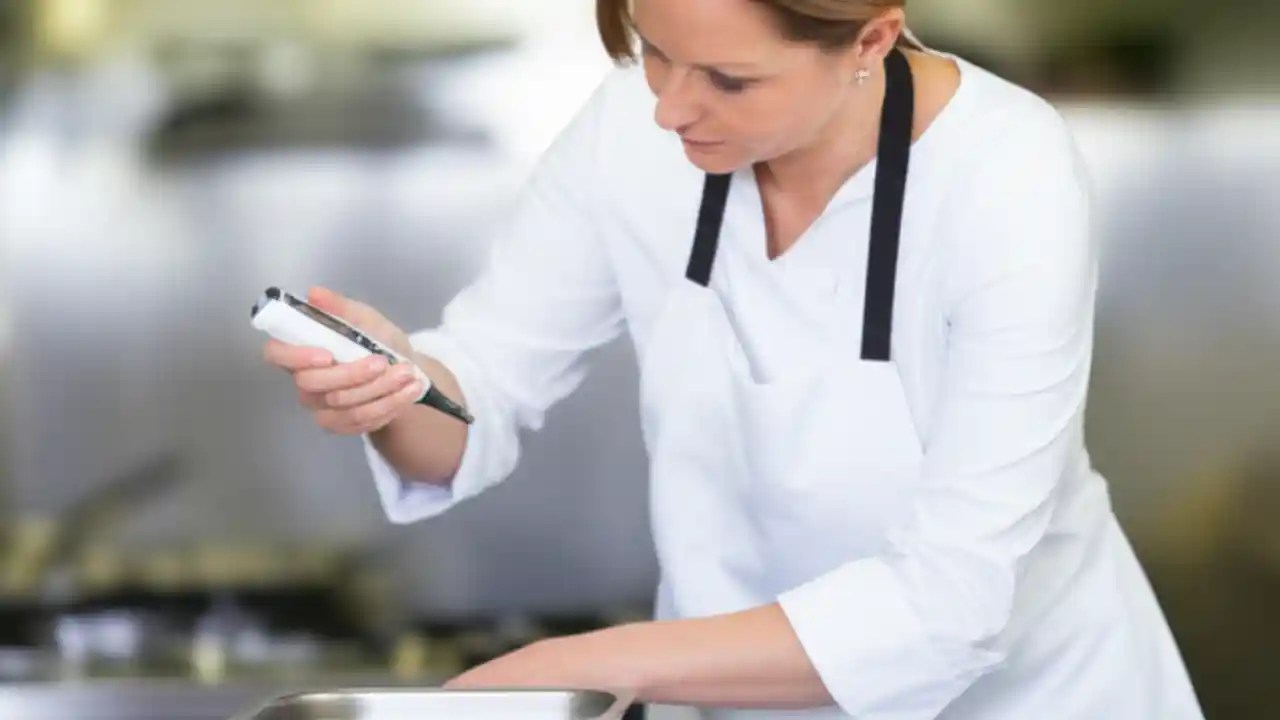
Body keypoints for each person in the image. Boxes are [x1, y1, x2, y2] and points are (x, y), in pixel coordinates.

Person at [262, 1, 1204, 718]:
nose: (671, 109)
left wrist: (577, 665)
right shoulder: (632, 124)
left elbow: (951, 602)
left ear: (872, 42)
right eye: (651, 50)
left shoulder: (1007, 172)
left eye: (728, 80)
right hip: (740, 697)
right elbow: (480, 398)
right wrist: (393, 390)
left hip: (1034, 696)